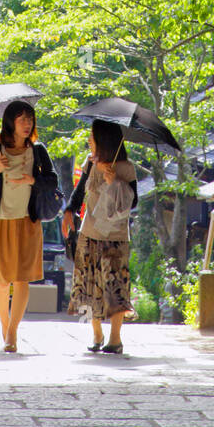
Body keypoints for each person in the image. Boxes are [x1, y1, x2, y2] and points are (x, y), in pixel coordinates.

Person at [0, 100, 59, 353]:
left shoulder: (38, 150)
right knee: (2, 281)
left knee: (22, 280)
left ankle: (13, 332)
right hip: (0, 222)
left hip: (27, 221)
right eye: (22, 119)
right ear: (10, 122)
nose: (27, 124)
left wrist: (32, 179)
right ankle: (5, 325)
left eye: (30, 120)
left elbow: (53, 181)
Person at [63, 119, 138, 355]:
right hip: (89, 233)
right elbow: (78, 193)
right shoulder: (90, 163)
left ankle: (115, 339)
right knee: (87, 284)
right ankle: (96, 333)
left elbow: (133, 201)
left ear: (104, 141)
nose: (89, 141)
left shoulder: (127, 168)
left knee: (115, 286)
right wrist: (68, 211)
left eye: (93, 138)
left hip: (115, 237)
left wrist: (114, 181)